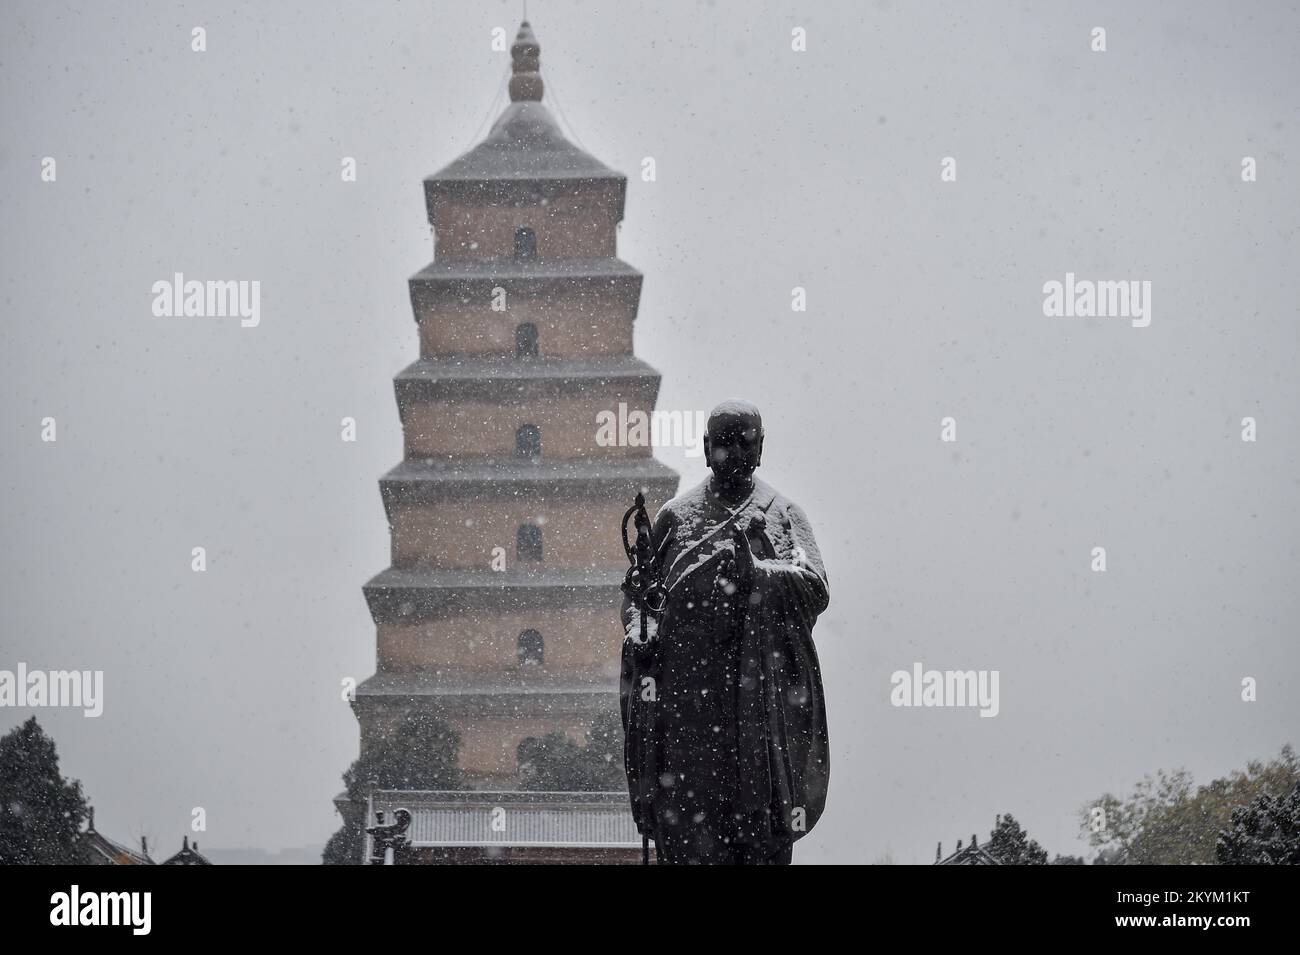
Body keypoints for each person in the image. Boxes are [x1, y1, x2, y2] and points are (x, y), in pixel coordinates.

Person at [620, 399, 830, 864]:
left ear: (761, 447)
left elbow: (816, 588)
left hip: (756, 706)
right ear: (705, 447)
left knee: (758, 836)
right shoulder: (677, 517)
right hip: (688, 711)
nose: (734, 452)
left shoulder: (782, 515)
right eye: (724, 442)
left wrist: (759, 574)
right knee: (688, 834)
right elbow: (639, 606)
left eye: (745, 441)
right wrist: (642, 630)